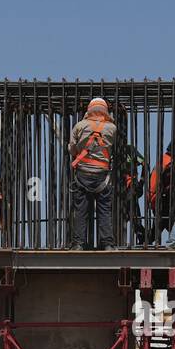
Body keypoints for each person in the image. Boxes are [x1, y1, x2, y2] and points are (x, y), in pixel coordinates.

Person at [67, 98, 118, 249]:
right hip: (102, 176)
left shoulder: (79, 126)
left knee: (81, 210)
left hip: (83, 174)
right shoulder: (112, 128)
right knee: (104, 210)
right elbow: (111, 148)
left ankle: (78, 244)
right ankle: (107, 244)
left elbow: (72, 149)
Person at [144, 138, 175, 245]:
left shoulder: (168, 161)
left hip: (163, 201)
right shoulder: (168, 163)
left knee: (159, 228)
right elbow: (159, 184)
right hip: (164, 202)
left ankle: (146, 242)